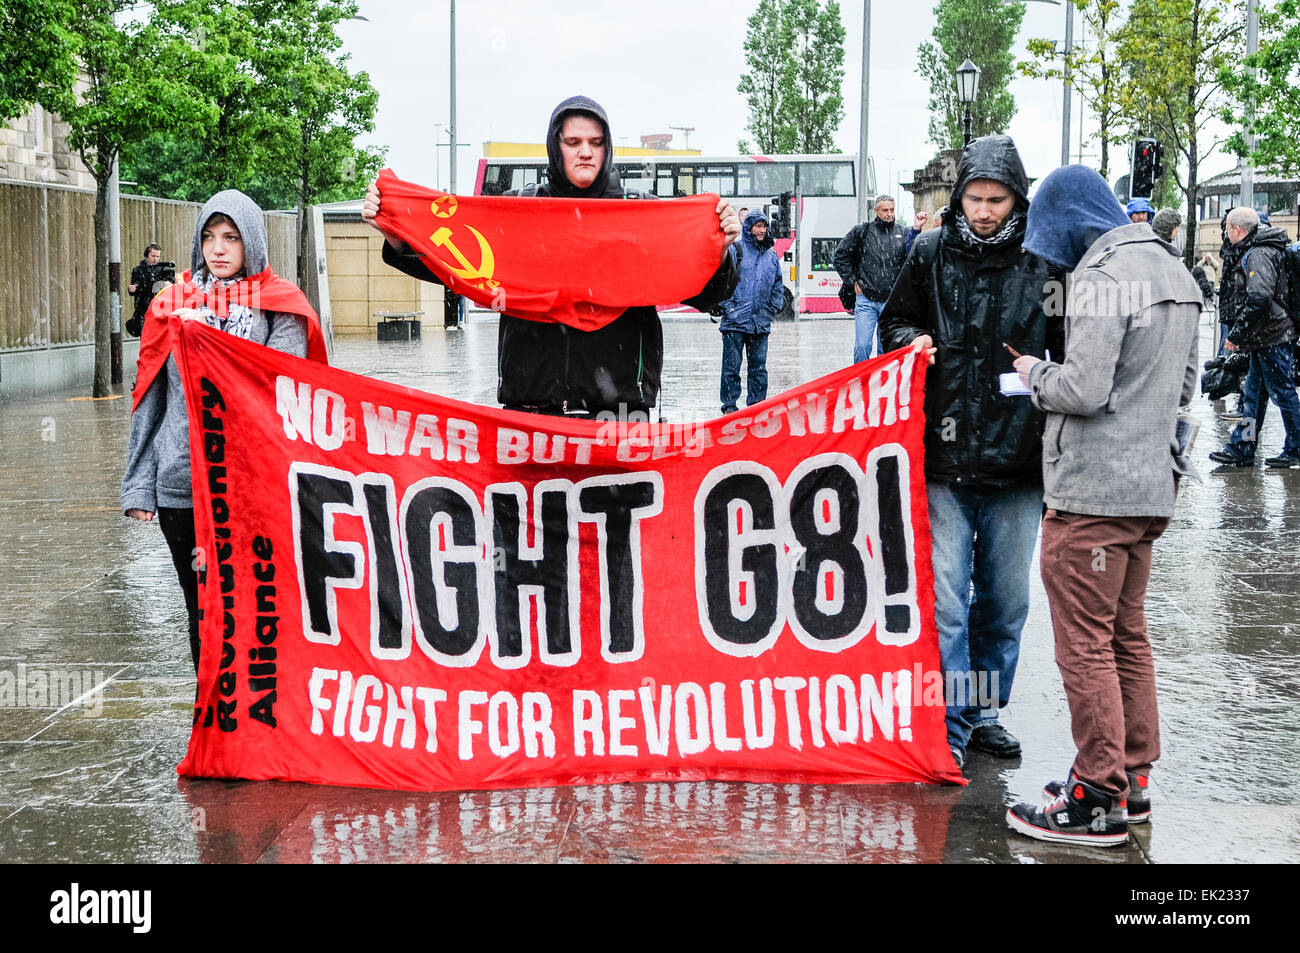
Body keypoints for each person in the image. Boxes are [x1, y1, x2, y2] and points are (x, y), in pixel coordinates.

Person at [1003, 165, 1201, 847]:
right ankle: (1131, 778)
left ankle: (1093, 796)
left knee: (1084, 644)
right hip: (1149, 489)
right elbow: (1186, 388)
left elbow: (1083, 388)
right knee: (1126, 635)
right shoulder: (1174, 272)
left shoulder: (1101, 277)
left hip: (1091, 493)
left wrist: (1034, 374)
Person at [364, 95, 740, 418]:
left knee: (625, 505)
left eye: (595, 141)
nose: (585, 151)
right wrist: (397, 232)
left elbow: (704, 292)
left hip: (621, 411)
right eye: (573, 141)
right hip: (530, 406)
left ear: (607, 147)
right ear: (554, 145)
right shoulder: (518, 213)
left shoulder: (641, 215)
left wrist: (720, 248)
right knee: (526, 506)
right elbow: (454, 262)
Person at [879, 135, 1062, 769]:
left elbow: (1068, 353)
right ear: (960, 198)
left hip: (1019, 462)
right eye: (976, 198)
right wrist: (913, 339)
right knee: (947, 601)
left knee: (1005, 602)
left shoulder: (1045, 264)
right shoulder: (928, 251)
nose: (985, 211)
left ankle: (984, 709)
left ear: (1017, 199)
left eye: (997, 199)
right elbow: (891, 322)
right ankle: (951, 722)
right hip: (943, 459)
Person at [122, 190, 327, 671]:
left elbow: (280, 388)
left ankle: (258, 722)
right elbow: (151, 396)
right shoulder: (172, 306)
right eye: (209, 237)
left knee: (257, 610)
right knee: (202, 613)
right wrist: (139, 484)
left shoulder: (280, 307)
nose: (218, 249)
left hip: (254, 487)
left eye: (231, 238)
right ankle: (215, 724)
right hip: (182, 488)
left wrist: (209, 338)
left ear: (251, 242)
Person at [1208, 206, 1300, 468]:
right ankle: (1243, 446)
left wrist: (1236, 334)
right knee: (1254, 396)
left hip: (1272, 337)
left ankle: (1294, 448)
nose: (1226, 234)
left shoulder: (1257, 254)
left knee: (1282, 394)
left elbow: (1259, 298)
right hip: (1266, 338)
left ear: (1237, 229)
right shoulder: (1263, 249)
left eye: (1227, 229)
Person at [834, 195, 925, 363]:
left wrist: (916, 230)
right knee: (862, 346)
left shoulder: (903, 232)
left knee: (886, 348)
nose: (889, 214)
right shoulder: (861, 231)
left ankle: (882, 384)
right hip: (866, 299)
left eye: (892, 210)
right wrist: (852, 280)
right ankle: (861, 380)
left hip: (891, 301)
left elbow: (913, 256)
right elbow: (840, 256)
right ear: (875, 211)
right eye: (885, 210)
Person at [718, 209, 783, 414]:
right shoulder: (735, 250)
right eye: (758, 226)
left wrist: (771, 309)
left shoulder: (771, 256)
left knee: (758, 369)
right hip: (735, 322)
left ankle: (756, 406)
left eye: (764, 226)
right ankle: (729, 407)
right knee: (731, 369)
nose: (761, 230)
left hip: (760, 323)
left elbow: (777, 286)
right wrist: (729, 308)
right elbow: (722, 281)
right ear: (749, 228)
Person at [126, 243, 162, 337]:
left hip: (159, 308)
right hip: (143, 308)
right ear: (147, 255)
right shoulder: (138, 270)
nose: (155, 259)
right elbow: (136, 285)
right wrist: (133, 289)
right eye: (153, 256)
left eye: (158, 256)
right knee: (145, 336)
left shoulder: (162, 270)